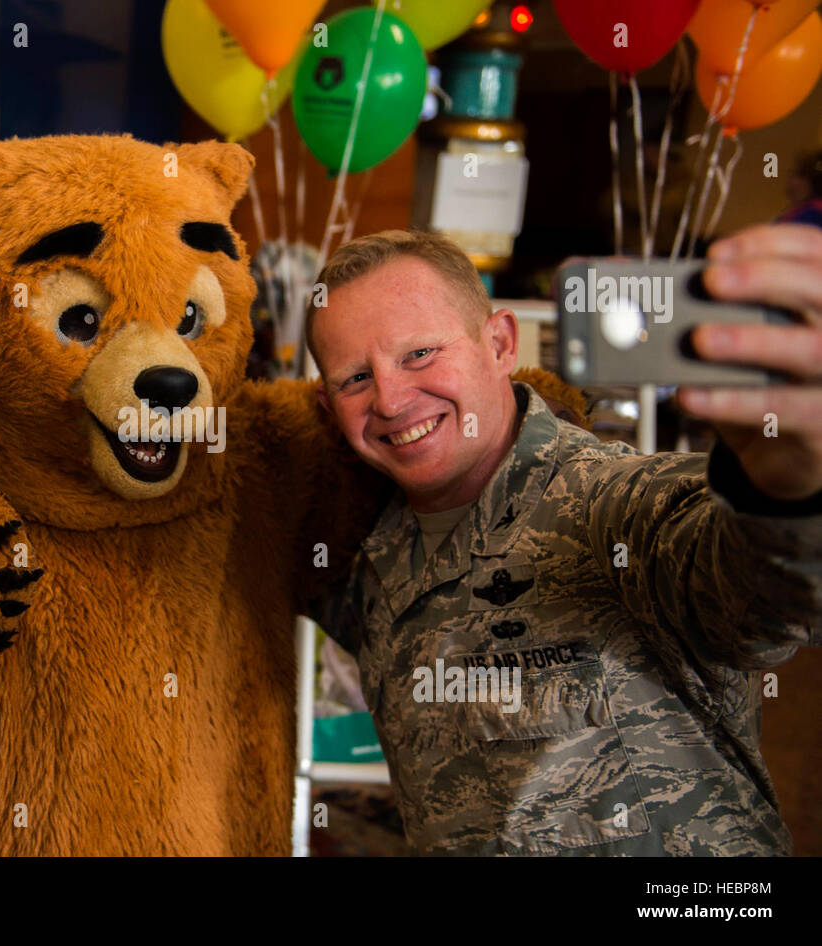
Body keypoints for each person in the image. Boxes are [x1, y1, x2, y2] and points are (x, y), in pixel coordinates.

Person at [308, 226, 822, 856]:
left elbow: (763, 590)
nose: (390, 399)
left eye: (419, 355)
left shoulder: (611, 505)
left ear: (498, 344)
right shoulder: (371, 566)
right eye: (355, 378)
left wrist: (788, 483)